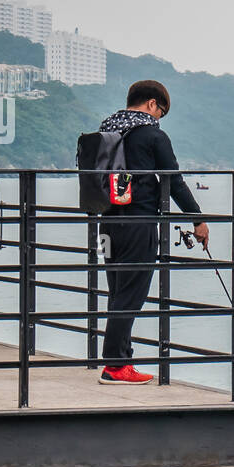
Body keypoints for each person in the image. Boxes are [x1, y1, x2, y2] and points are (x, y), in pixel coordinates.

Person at [97, 80, 208, 384]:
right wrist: (198, 219)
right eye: (161, 111)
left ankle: (121, 360)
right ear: (151, 104)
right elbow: (175, 181)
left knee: (118, 292)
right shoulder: (151, 134)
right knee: (131, 294)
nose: (159, 118)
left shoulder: (108, 129)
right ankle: (115, 367)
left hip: (107, 222)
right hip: (138, 223)